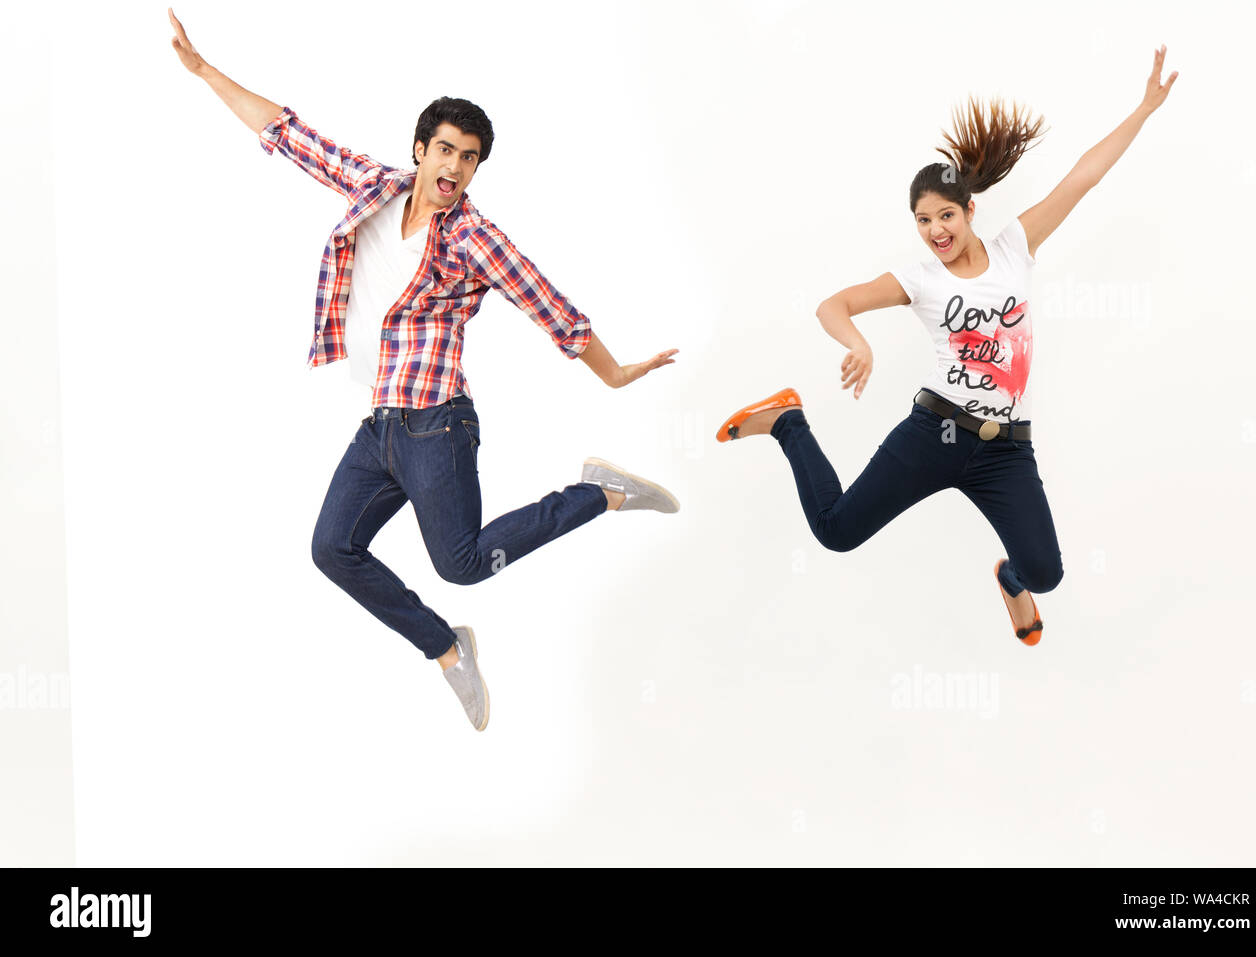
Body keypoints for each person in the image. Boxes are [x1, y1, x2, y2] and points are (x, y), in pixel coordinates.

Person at [168, 9, 681, 731]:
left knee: (464, 563)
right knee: (332, 548)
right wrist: (203, 71)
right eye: (445, 150)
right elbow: (287, 133)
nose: (454, 167)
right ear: (420, 150)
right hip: (379, 426)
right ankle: (446, 647)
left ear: (475, 169)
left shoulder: (474, 238)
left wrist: (617, 373)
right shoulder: (373, 189)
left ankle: (599, 494)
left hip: (438, 424)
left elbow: (551, 307)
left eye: (469, 158)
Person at [717, 47, 1178, 647]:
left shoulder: (1014, 248)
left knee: (1047, 574)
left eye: (945, 216)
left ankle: (1010, 582)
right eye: (922, 220)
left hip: (1006, 452)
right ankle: (788, 423)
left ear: (969, 210)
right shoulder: (920, 280)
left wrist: (1143, 109)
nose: (936, 231)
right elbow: (833, 305)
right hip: (934, 435)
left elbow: (1082, 179)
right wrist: (859, 343)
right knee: (836, 531)